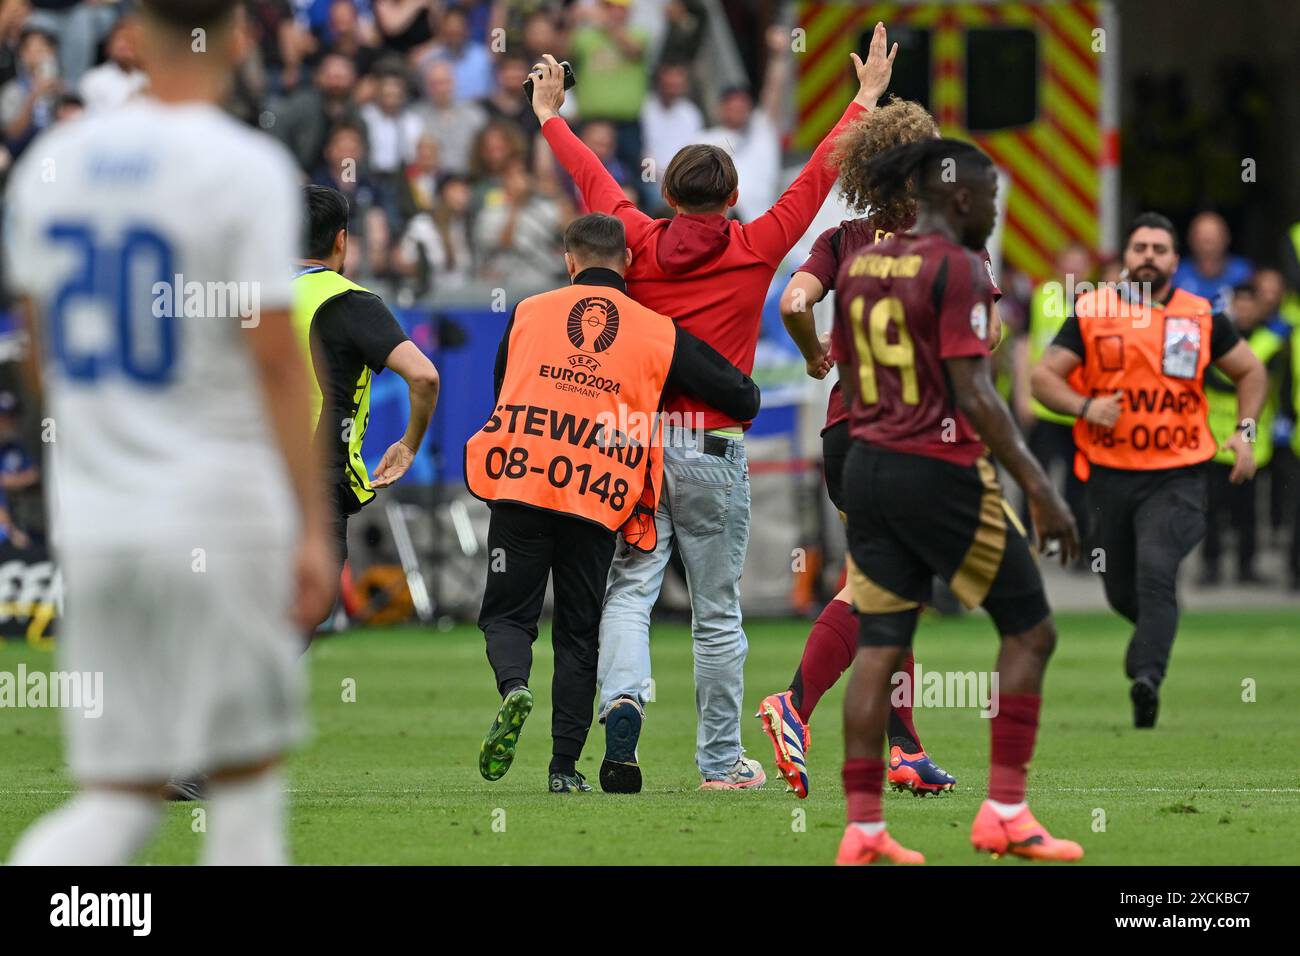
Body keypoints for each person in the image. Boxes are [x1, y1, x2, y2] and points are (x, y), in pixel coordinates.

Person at [527, 24, 898, 792]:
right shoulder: (758, 244)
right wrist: (863, 99)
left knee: (629, 590)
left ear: (666, 194)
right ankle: (721, 762)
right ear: (732, 197)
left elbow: (593, 181)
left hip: (635, 443)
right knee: (718, 612)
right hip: (716, 446)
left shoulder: (633, 240)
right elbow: (820, 178)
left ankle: (623, 699)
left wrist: (550, 117)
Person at [6, 0, 334, 866]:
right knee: (244, 804)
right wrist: (310, 528)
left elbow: (39, 359)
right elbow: (274, 361)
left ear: (127, 40)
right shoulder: (245, 167)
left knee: (116, 804)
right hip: (219, 509)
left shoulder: (52, 164)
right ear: (236, 38)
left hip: (101, 521)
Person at [832, 138, 1083, 866]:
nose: (997, 216)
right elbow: (975, 393)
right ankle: (1005, 811)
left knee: (880, 643)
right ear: (963, 199)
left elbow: (847, 367)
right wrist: (1040, 486)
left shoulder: (861, 265)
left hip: (866, 465)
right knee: (1031, 631)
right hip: (935, 469)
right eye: (995, 202)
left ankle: (864, 831)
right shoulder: (960, 267)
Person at [758, 98, 1003, 800]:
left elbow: (794, 304)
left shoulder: (843, 240)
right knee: (876, 588)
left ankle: (905, 748)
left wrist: (815, 357)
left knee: (889, 585)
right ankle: (794, 706)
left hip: (846, 434)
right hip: (911, 439)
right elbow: (984, 335)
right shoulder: (952, 242)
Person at [464, 213, 760, 794]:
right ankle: (564, 770)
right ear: (628, 263)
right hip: (598, 496)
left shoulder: (527, 312)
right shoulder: (656, 329)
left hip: (522, 484)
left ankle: (513, 686)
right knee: (579, 632)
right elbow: (739, 392)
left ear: (569, 260)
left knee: (507, 615)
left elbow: (505, 387)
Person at [1031, 212, 1267, 728]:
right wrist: (1085, 405)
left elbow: (1251, 370)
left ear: (1174, 262)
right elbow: (1043, 377)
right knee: (1120, 590)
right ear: (1125, 257)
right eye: (1140, 247)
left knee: (1157, 569)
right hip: (1110, 475)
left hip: (1180, 474)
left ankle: (1146, 677)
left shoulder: (1201, 315)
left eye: (1160, 249)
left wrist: (1245, 435)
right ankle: (1155, 634)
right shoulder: (1092, 312)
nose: (1148, 257)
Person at [295, 184, 441, 614]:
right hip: (314, 485)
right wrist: (409, 444)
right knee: (303, 612)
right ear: (342, 240)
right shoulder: (349, 301)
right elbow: (424, 376)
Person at [1200, 282, 1286, 585]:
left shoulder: (1271, 342)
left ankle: (1246, 567)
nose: (1246, 310)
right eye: (1241, 303)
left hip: (1251, 439)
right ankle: (1210, 567)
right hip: (1214, 438)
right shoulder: (1217, 336)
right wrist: (1247, 375)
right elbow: (1210, 378)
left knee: (1248, 513)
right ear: (1233, 305)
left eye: (1252, 304)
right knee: (1210, 510)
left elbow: (1274, 384)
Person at [1172, 211, 1253, 314]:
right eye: (1202, 237)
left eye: (1213, 237)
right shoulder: (1176, 272)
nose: (1207, 243)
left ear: (1226, 238)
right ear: (1190, 240)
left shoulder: (1244, 272)